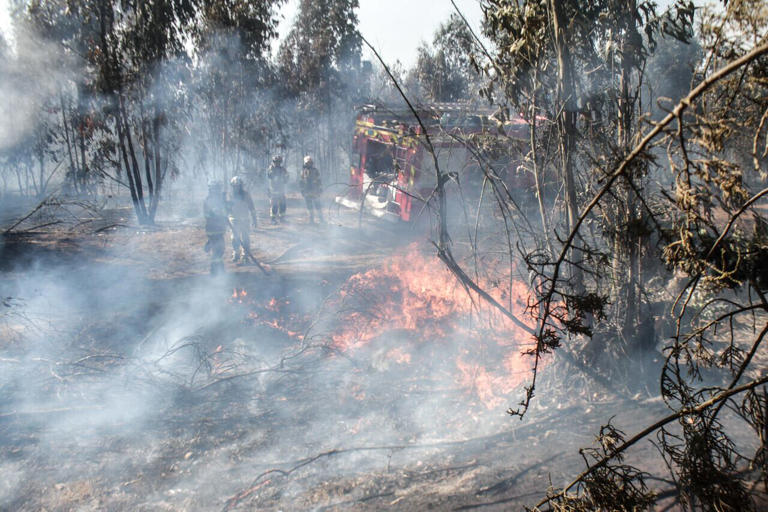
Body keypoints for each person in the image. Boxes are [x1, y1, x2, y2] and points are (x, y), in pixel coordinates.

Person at [229, 175, 257, 263]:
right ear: (232, 186)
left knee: (245, 238)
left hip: (245, 220)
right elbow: (226, 207)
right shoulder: (229, 195)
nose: (236, 188)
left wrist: (254, 219)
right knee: (234, 237)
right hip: (233, 219)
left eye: (238, 186)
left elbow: (251, 207)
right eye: (235, 186)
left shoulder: (246, 195)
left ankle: (245, 255)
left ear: (241, 186)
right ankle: (236, 252)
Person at [203, 180, 228, 274]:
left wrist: (227, 206)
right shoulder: (208, 200)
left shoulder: (221, 199)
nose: (217, 190)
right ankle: (215, 270)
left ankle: (209, 243)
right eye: (215, 189)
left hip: (220, 229)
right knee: (218, 250)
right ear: (211, 189)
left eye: (218, 188)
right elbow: (207, 215)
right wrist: (215, 213)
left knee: (220, 249)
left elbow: (225, 211)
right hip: (212, 228)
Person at [299, 155, 323, 223]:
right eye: (308, 163)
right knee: (309, 206)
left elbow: (319, 180)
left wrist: (320, 189)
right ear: (305, 163)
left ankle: (321, 219)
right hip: (307, 191)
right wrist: (302, 190)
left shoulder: (315, 170)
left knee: (318, 205)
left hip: (315, 191)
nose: (309, 164)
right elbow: (301, 182)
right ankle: (311, 220)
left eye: (310, 163)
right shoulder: (303, 172)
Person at [267, 155, 289, 224]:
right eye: (276, 162)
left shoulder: (282, 169)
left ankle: (282, 218)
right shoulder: (271, 168)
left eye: (279, 162)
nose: (277, 163)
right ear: (273, 162)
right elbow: (270, 175)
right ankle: (273, 219)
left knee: (283, 204)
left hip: (281, 189)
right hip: (273, 190)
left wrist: (285, 179)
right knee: (274, 205)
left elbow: (287, 175)